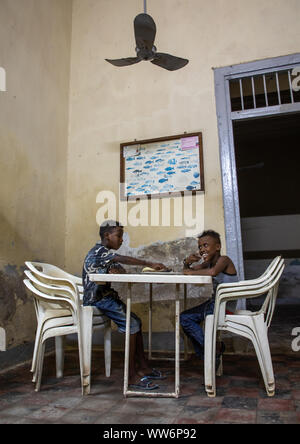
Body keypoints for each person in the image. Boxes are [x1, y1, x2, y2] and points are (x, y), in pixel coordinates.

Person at [82, 220, 167, 390]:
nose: (121, 240)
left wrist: (116, 269)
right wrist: (148, 264)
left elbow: (120, 270)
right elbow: (120, 260)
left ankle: (143, 367)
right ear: (107, 236)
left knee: (136, 321)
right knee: (132, 324)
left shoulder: (106, 256)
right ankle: (131, 377)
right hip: (98, 299)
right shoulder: (99, 251)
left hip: (106, 297)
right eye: (119, 235)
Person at [180, 230, 238, 363]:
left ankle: (211, 352)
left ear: (217, 247)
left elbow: (212, 272)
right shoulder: (209, 262)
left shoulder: (224, 260)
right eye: (200, 247)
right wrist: (187, 262)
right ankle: (211, 355)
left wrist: (189, 272)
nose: (202, 250)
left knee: (186, 318)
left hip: (223, 307)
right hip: (215, 304)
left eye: (205, 245)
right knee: (185, 318)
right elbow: (189, 270)